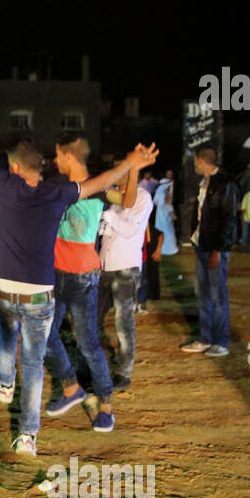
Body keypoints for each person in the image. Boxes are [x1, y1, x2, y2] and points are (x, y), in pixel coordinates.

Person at [0, 101, 157, 455]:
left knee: (17, 335)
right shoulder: (58, 190)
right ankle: (34, 429)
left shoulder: (9, 184)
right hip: (44, 290)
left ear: (16, 166)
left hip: (33, 284)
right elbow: (102, 181)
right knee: (36, 359)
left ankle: (10, 383)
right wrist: (130, 163)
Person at [43, 132, 119, 431]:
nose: (55, 160)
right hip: (55, 273)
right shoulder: (57, 186)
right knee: (47, 337)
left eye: (59, 155)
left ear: (70, 156)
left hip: (84, 277)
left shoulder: (99, 188)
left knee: (88, 344)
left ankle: (107, 407)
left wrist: (134, 166)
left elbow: (127, 198)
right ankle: (71, 388)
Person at [96, 155, 153, 390]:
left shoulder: (142, 197)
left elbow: (131, 230)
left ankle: (123, 372)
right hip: (104, 267)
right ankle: (95, 364)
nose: (116, 175)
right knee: (92, 317)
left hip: (126, 269)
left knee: (123, 322)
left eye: (121, 171)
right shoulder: (114, 197)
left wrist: (110, 217)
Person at [180, 144, 236, 357]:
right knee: (202, 294)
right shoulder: (205, 182)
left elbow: (229, 219)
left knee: (217, 295)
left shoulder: (225, 183)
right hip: (202, 245)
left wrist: (218, 250)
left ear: (202, 160)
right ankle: (206, 338)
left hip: (214, 249)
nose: (194, 164)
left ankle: (221, 342)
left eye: (195, 160)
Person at [153, 170, 178, 255]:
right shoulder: (163, 189)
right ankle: (166, 249)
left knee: (166, 230)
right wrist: (171, 213)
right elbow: (166, 202)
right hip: (163, 213)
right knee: (166, 231)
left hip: (162, 213)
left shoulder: (162, 190)